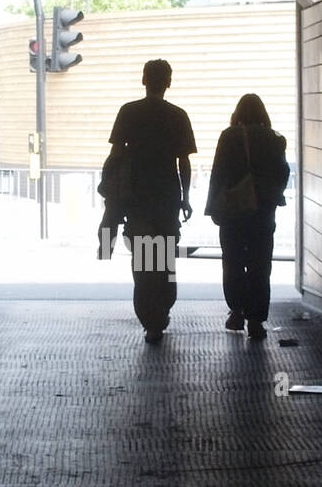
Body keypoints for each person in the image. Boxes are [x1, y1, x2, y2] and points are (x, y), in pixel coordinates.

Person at [105, 60, 196, 342]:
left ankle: (150, 318)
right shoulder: (178, 115)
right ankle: (162, 309)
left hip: (137, 198)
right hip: (167, 197)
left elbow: (116, 155)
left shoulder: (129, 112)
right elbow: (184, 162)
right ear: (169, 82)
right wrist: (185, 197)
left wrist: (111, 193)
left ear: (144, 80)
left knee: (144, 258)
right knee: (165, 257)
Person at [204, 93, 289, 340]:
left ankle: (237, 310)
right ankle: (256, 320)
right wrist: (270, 196)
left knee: (232, 261)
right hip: (262, 213)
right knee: (260, 264)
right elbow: (282, 174)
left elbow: (217, 173)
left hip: (233, 212)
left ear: (237, 113)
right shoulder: (275, 139)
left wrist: (213, 207)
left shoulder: (229, 137)